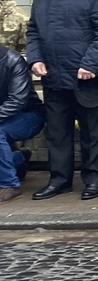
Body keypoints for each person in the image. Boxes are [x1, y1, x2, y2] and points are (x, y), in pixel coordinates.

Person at [25, 0, 98, 201]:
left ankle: (94, 179)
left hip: (88, 79)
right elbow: (33, 31)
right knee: (57, 133)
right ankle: (59, 180)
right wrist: (35, 58)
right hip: (54, 78)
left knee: (92, 132)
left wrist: (90, 64)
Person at [0, 44, 45, 202]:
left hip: (29, 115)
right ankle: (19, 158)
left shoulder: (13, 60)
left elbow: (17, 101)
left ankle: (9, 184)